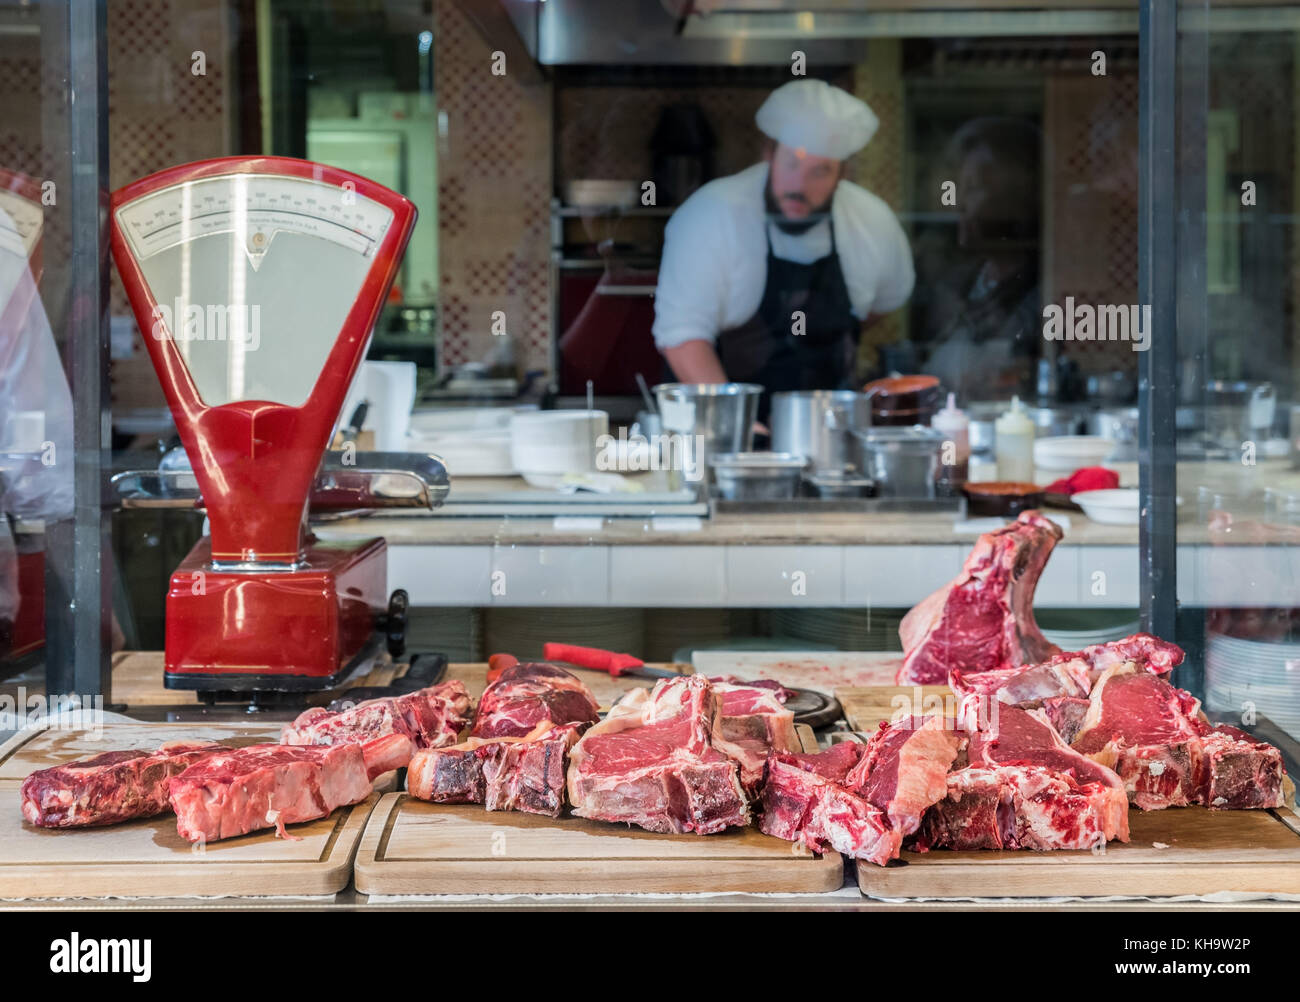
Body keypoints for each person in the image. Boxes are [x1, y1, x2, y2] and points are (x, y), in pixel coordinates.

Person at [652, 79, 914, 419]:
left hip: (827, 430)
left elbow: (884, 302)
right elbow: (682, 338)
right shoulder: (710, 216)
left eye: (819, 172)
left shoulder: (872, 223)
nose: (799, 187)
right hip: (723, 425)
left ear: (842, 174)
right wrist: (735, 427)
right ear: (769, 154)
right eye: (791, 164)